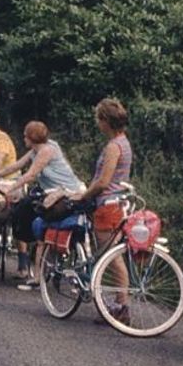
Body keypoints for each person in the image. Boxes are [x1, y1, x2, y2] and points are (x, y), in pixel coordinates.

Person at [0, 120, 83, 289]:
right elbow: (17, 165)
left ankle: (35, 271)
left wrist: (9, 189)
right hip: (52, 192)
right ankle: (32, 258)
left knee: (36, 222)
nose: (24, 138)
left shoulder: (46, 151)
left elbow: (30, 175)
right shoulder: (36, 150)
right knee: (25, 209)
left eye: (25, 136)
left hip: (66, 193)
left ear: (32, 138)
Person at [68, 99, 134, 324]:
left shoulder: (113, 147)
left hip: (108, 206)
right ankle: (118, 305)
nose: (97, 123)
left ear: (106, 121)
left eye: (98, 118)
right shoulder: (124, 142)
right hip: (117, 204)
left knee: (112, 258)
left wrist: (83, 195)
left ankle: (121, 307)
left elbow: (104, 182)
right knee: (113, 256)